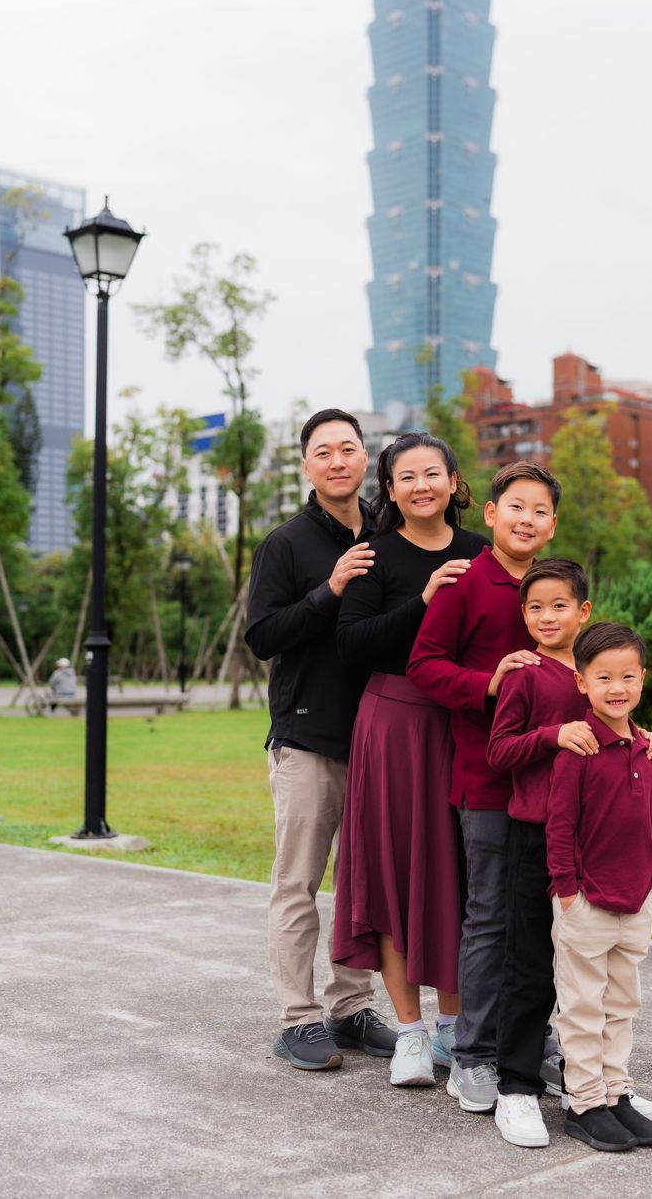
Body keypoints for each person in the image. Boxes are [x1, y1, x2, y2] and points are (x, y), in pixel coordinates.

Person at [486, 559, 652, 1148]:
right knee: (533, 969)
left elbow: (623, 724)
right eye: (535, 607)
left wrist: (648, 738)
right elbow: (500, 751)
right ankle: (516, 1087)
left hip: (599, 848)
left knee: (598, 984)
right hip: (539, 838)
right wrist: (553, 734)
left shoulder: (600, 667)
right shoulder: (526, 672)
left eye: (559, 605)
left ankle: (601, 1089)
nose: (547, 616)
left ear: (583, 612)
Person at [332, 431, 487, 1089]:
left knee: (457, 877)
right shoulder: (375, 556)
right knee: (395, 877)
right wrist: (423, 602)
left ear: (455, 482)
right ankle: (411, 1034)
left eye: (433, 472)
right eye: (406, 476)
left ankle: (454, 1028)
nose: (421, 484)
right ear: (390, 490)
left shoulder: (482, 553)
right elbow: (351, 646)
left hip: (463, 729)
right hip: (392, 729)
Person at [245, 408, 396, 1074]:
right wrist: (329, 589)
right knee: (299, 882)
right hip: (308, 739)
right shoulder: (286, 544)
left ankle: (352, 1008)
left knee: (365, 886)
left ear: (366, 459)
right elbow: (262, 637)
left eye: (349, 449)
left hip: (380, 738)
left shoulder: (391, 532)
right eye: (323, 451)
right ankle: (298, 1019)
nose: (338, 460)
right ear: (307, 465)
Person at [407, 461, 558, 1112]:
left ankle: (531, 1040)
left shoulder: (556, 588)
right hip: (486, 779)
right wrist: (488, 683)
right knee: (491, 916)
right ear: (491, 514)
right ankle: (473, 1055)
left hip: (551, 782)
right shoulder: (468, 583)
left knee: (543, 919)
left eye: (540, 511)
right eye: (515, 507)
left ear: (553, 526)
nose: (527, 519)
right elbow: (423, 665)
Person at [547, 622, 652, 1154]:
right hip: (586, 904)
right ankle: (584, 1102)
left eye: (628, 676)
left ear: (642, 679)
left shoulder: (649, 751)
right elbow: (559, 826)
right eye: (604, 678)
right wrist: (568, 892)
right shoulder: (580, 748)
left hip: (635, 901)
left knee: (622, 1004)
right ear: (582, 683)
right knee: (582, 1007)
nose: (617, 688)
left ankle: (616, 1093)